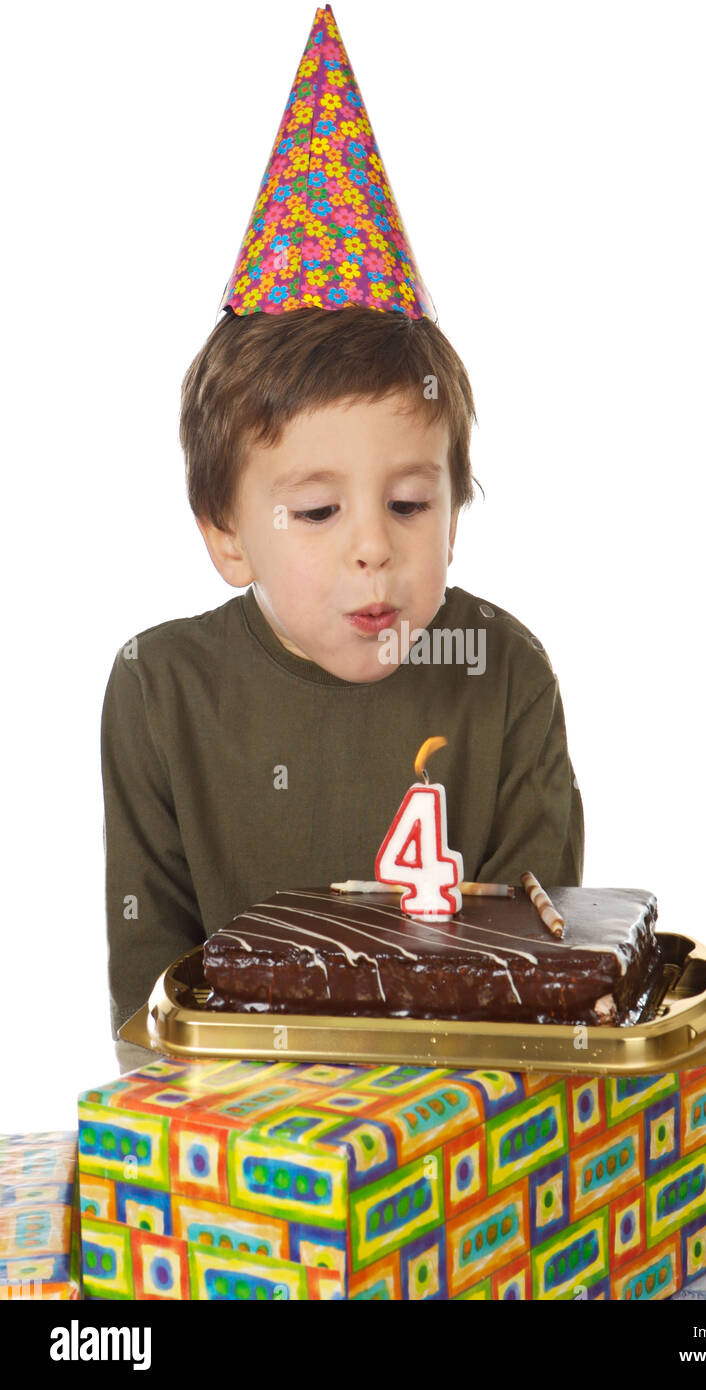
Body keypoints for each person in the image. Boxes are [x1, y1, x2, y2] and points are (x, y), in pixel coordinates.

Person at [101, 5, 583, 1073]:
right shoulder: (159, 688)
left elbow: (543, 972)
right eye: (317, 512)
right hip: (240, 1141)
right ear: (227, 533)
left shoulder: (502, 674)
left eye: (410, 504)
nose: (374, 548)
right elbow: (150, 992)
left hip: (461, 1133)